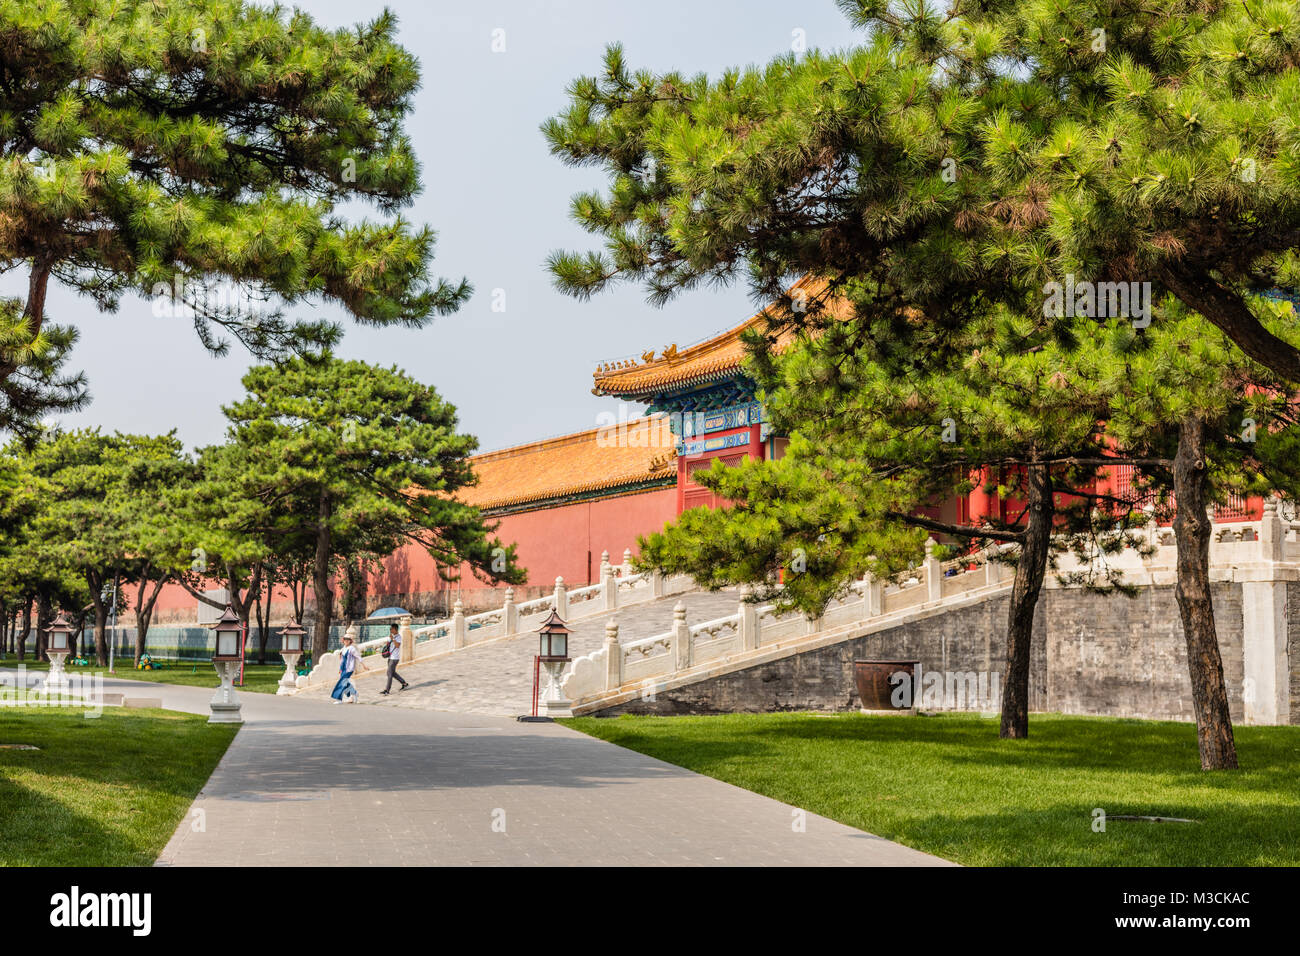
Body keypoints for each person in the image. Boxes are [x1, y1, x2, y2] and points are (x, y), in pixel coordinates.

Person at [330, 633, 367, 703]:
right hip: (343, 668)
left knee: (341, 683)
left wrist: (364, 665)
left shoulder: (352, 648)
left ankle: (339, 699)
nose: (346, 641)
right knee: (345, 682)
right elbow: (342, 660)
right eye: (345, 639)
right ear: (343, 640)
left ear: (350, 641)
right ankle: (354, 693)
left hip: (348, 669)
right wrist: (340, 669)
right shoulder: (344, 648)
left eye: (348, 640)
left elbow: (358, 656)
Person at [380, 623, 410, 695]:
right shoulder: (391, 636)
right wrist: (389, 640)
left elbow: (397, 645)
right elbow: (388, 645)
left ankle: (387, 690)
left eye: (391, 628)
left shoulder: (398, 637)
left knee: (389, 674)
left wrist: (393, 639)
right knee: (392, 673)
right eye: (390, 628)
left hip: (395, 658)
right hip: (390, 657)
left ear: (395, 629)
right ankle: (404, 683)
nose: (390, 630)